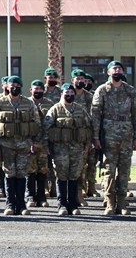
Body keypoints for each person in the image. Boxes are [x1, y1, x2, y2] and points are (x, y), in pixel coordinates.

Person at [0, 75, 41, 216]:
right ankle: (10, 204)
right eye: (12, 85)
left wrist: (35, 143)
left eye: (17, 85)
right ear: (7, 87)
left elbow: (37, 124)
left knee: (22, 174)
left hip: (24, 145)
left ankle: (21, 205)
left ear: (21, 87)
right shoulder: (0, 103)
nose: (14, 87)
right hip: (6, 144)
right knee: (9, 174)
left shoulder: (28, 103)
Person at [91, 61, 136, 216]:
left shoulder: (130, 91)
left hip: (126, 135)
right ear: (108, 72)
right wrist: (95, 137)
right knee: (109, 170)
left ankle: (122, 203)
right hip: (108, 136)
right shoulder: (102, 90)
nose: (117, 70)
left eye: (119, 68)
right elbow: (96, 115)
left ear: (123, 72)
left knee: (124, 170)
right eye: (114, 68)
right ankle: (110, 203)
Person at [44, 83, 92, 216]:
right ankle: (62, 205)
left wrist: (87, 144)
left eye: (71, 93)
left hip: (77, 149)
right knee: (61, 177)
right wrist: (46, 147)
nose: (69, 95)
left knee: (74, 177)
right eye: (67, 93)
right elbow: (46, 129)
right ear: (62, 94)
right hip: (60, 150)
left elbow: (88, 128)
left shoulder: (80, 109)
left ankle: (73, 205)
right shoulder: (55, 110)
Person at [26, 80, 54, 208]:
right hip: (29, 142)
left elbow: (52, 124)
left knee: (43, 170)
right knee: (30, 170)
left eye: (40, 89)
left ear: (43, 91)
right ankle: (30, 196)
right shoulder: (25, 103)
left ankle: (42, 196)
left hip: (44, 142)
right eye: (35, 89)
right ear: (31, 90)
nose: (37, 91)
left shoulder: (49, 104)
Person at [71, 69, 96, 202]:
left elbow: (94, 118)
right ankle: (73, 194)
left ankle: (80, 193)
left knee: (83, 166)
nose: (80, 81)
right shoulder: (68, 94)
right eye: (77, 79)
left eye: (82, 79)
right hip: (68, 136)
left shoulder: (89, 97)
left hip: (84, 135)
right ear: (72, 81)